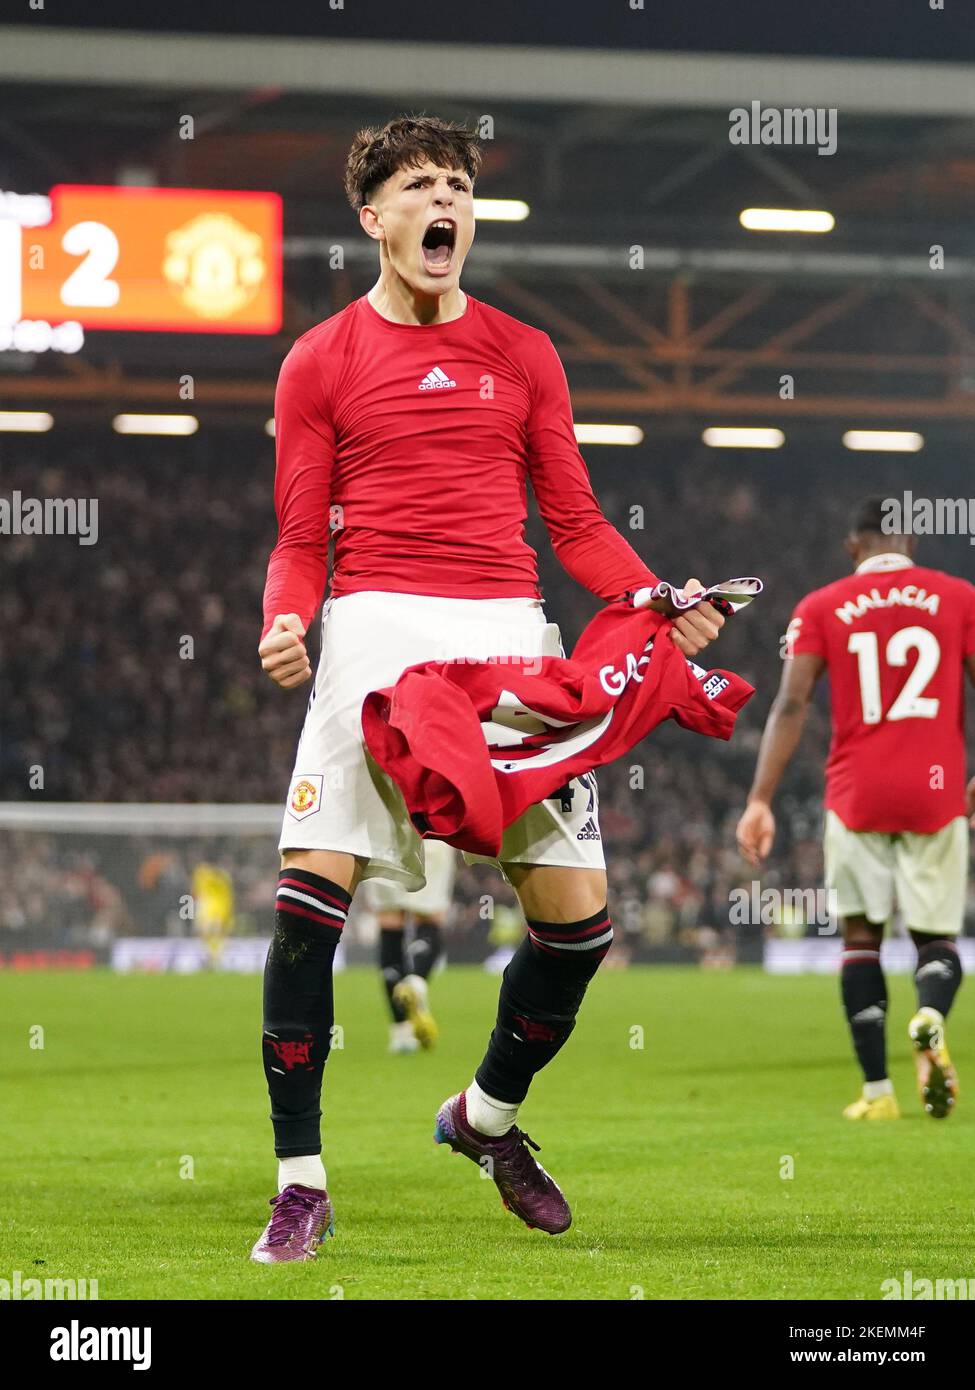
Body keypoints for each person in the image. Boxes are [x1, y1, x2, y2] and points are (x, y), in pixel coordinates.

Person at [251, 115, 724, 1262]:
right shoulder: (320, 357)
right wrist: (283, 616)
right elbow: (299, 534)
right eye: (419, 185)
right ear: (375, 217)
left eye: (459, 183)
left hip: (507, 635)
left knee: (580, 926)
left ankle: (486, 1118)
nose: (444, 200)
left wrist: (658, 595)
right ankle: (302, 1178)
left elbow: (574, 522)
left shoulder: (526, 352)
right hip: (371, 632)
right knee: (310, 903)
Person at [737, 496, 975, 1121]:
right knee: (935, 937)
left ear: (853, 547)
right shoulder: (958, 597)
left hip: (857, 790)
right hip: (937, 789)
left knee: (862, 937)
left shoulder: (821, 606)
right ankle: (929, 1014)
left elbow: (791, 706)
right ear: (912, 545)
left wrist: (760, 799)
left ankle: (877, 1094)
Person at [364, 838, 455, 1053]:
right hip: (429, 834)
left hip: (382, 841)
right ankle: (415, 981)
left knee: (390, 925)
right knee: (429, 921)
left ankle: (401, 1033)